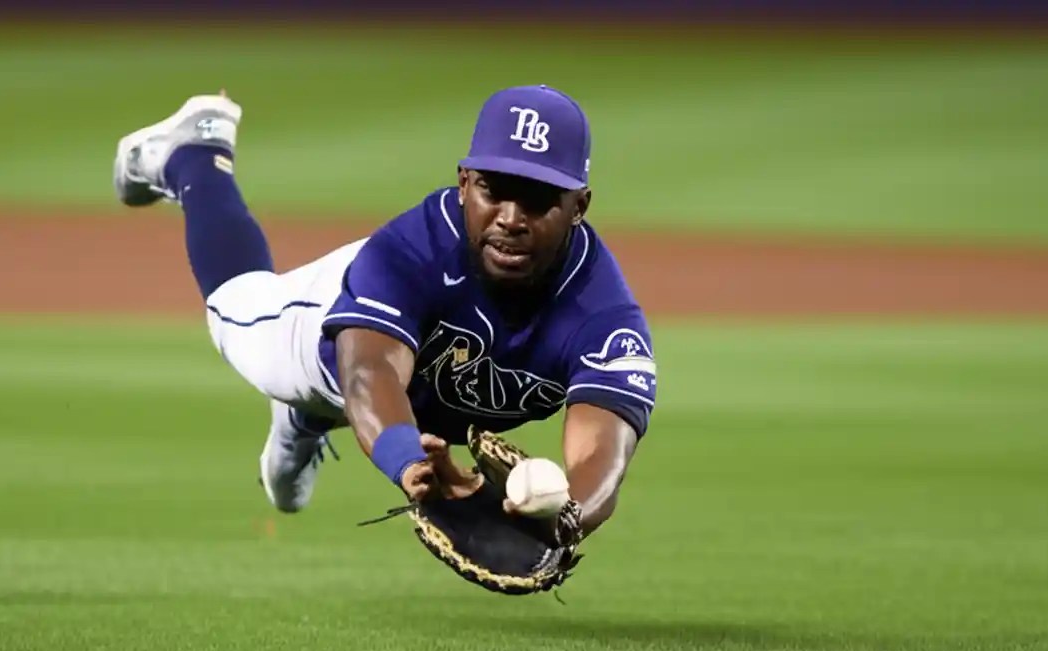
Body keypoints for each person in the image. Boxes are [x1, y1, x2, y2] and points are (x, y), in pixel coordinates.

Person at [112, 85, 657, 538]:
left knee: (372, 403)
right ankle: (196, 155)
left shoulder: (604, 315)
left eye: (537, 200)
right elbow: (367, 370)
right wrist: (407, 459)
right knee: (235, 307)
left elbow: (601, 456)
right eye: (494, 190)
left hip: (418, 393)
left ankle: (308, 419)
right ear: (465, 184)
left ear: (579, 206)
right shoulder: (408, 251)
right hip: (330, 340)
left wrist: (566, 520)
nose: (511, 218)